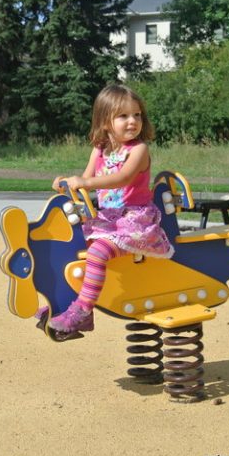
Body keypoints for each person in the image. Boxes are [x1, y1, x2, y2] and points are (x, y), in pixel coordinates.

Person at [46, 84, 174, 334]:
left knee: (98, 252)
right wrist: (67, 184)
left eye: (137, 115)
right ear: (105, 121)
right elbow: (85, 179)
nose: (132, 121)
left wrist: (85, 183)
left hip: (133, 221)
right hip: (108, 219)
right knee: (71, 246)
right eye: (123, 116)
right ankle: (65, 303)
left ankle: (83, 311)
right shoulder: (99, 150)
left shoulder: (139, 150)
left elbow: (122, 178)